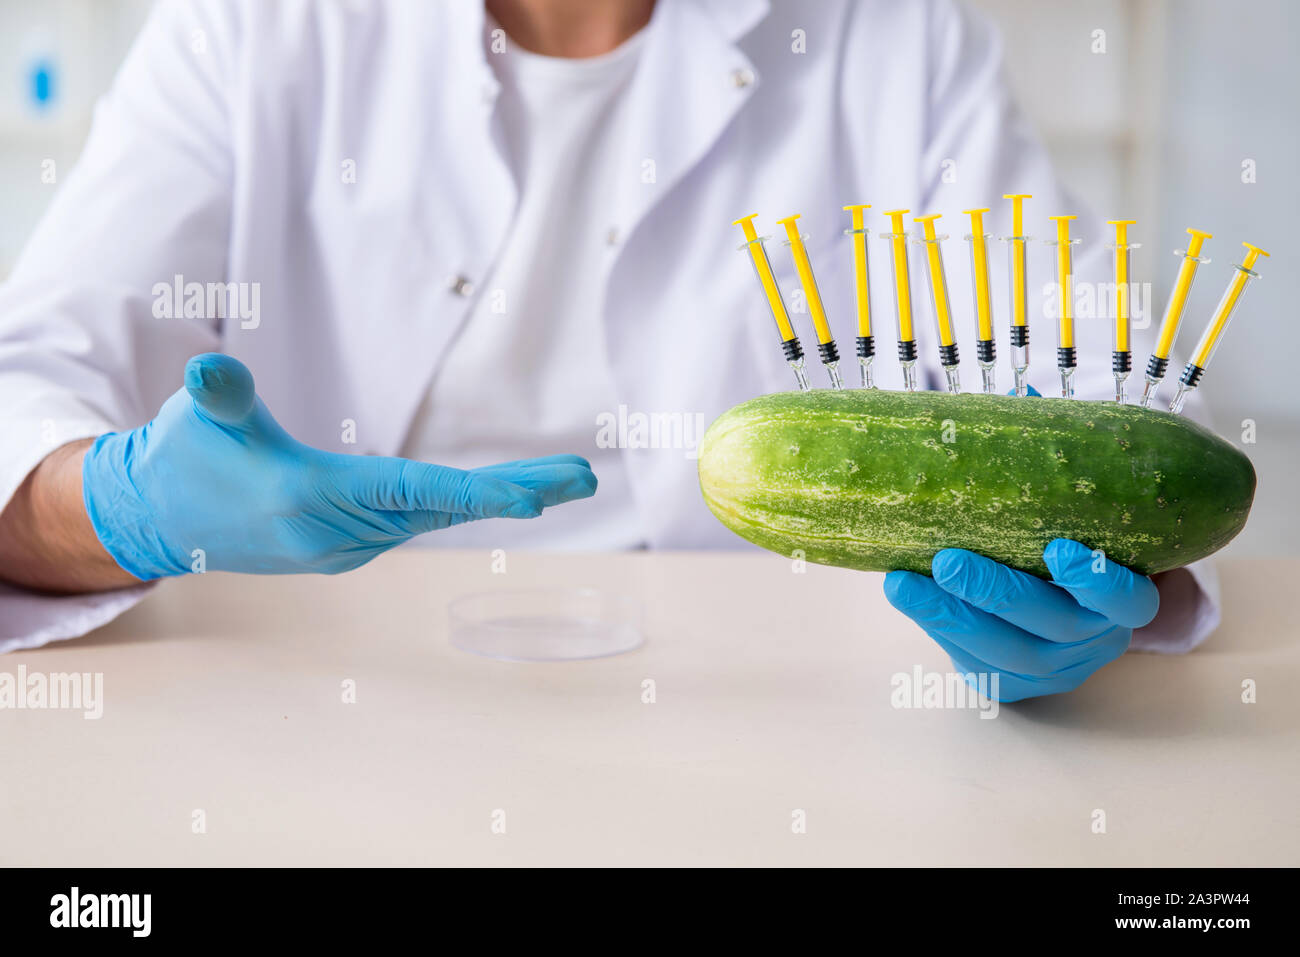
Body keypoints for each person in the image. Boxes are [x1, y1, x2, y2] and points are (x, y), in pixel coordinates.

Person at [0, 0, 1218, 699]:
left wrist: (1106, 574)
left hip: (768, 706)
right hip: (308, 692)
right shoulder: (252, 25)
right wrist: (120, 509)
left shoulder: (893, 34)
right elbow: (29, 393)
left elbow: (1090, 368)